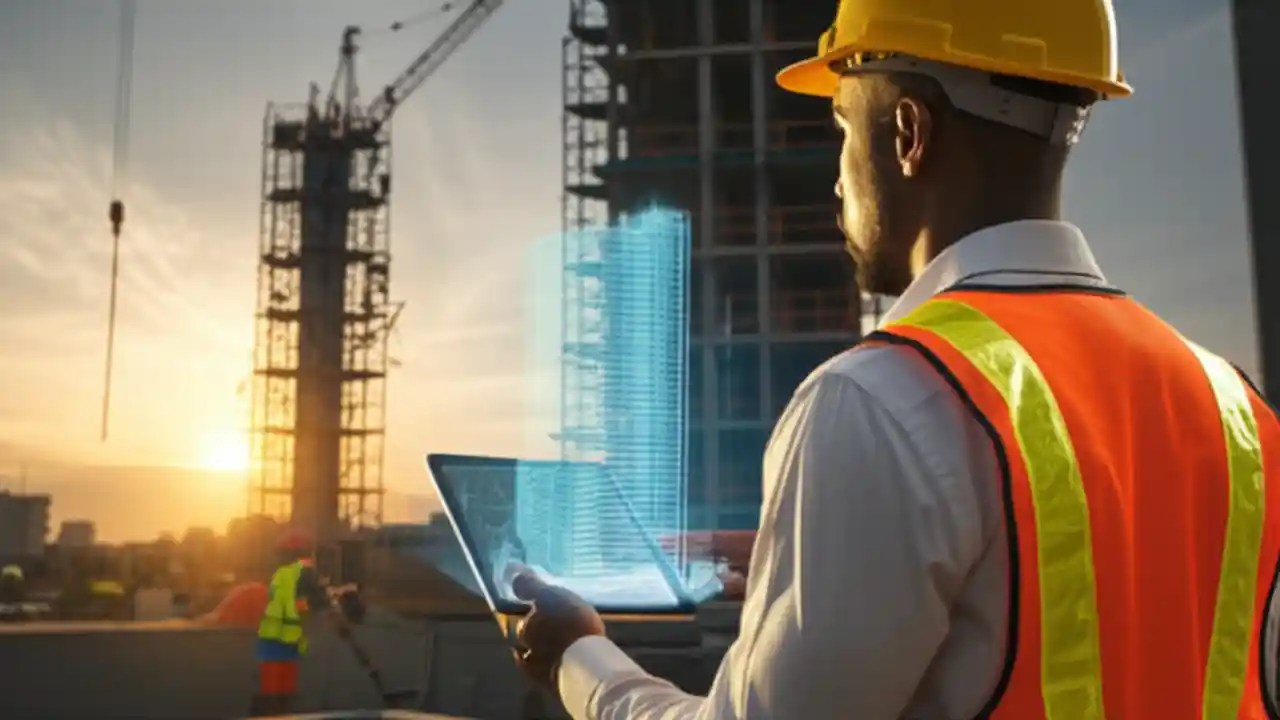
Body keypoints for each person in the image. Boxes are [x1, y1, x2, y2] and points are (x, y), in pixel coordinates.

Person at [510, 1, 1280, 718]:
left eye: (844, 126)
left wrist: (581, 657)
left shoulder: (881, 399)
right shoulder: (1236, 407)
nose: (837, 176)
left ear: (909, 132)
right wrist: (817, 557)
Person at [251, 528, 345, 716]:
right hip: (286, 640)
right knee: (282, 695)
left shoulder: (278, 576)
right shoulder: (303, 573)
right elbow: (313, 603)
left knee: (272, 694)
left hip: (271, 640)